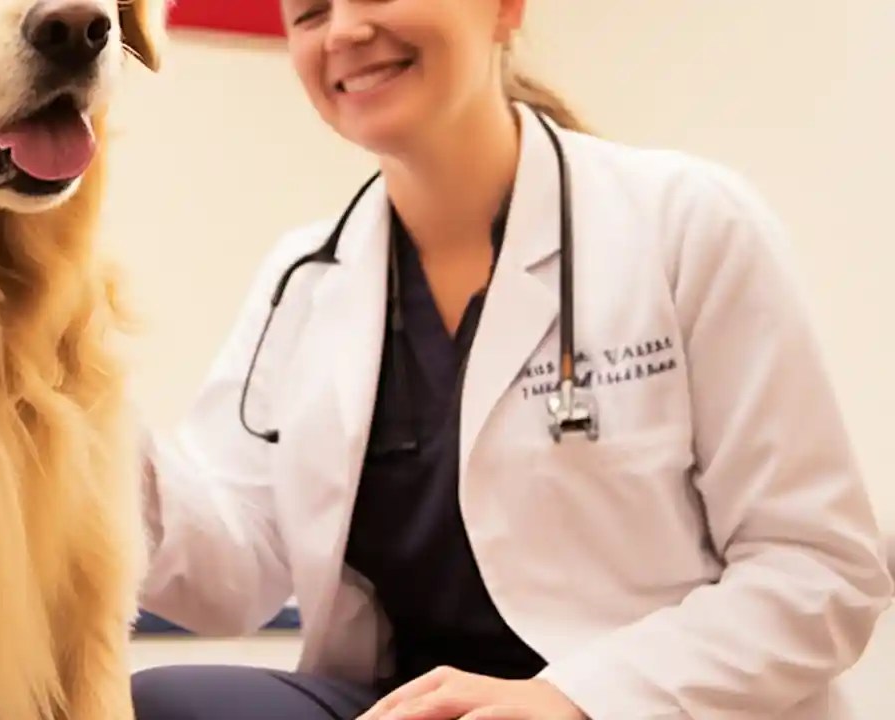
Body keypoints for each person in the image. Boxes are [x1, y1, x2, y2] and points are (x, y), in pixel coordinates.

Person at [131, 0, 894, 718]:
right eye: (309, 12)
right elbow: (230, 580)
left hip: (638, 703)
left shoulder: (687, 226)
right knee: (165, 704)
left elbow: (823, 567)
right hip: (406, 705)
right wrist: (74, 417)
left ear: (505, 6)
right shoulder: (303, 279)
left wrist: (576, 697)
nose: (343, 32)